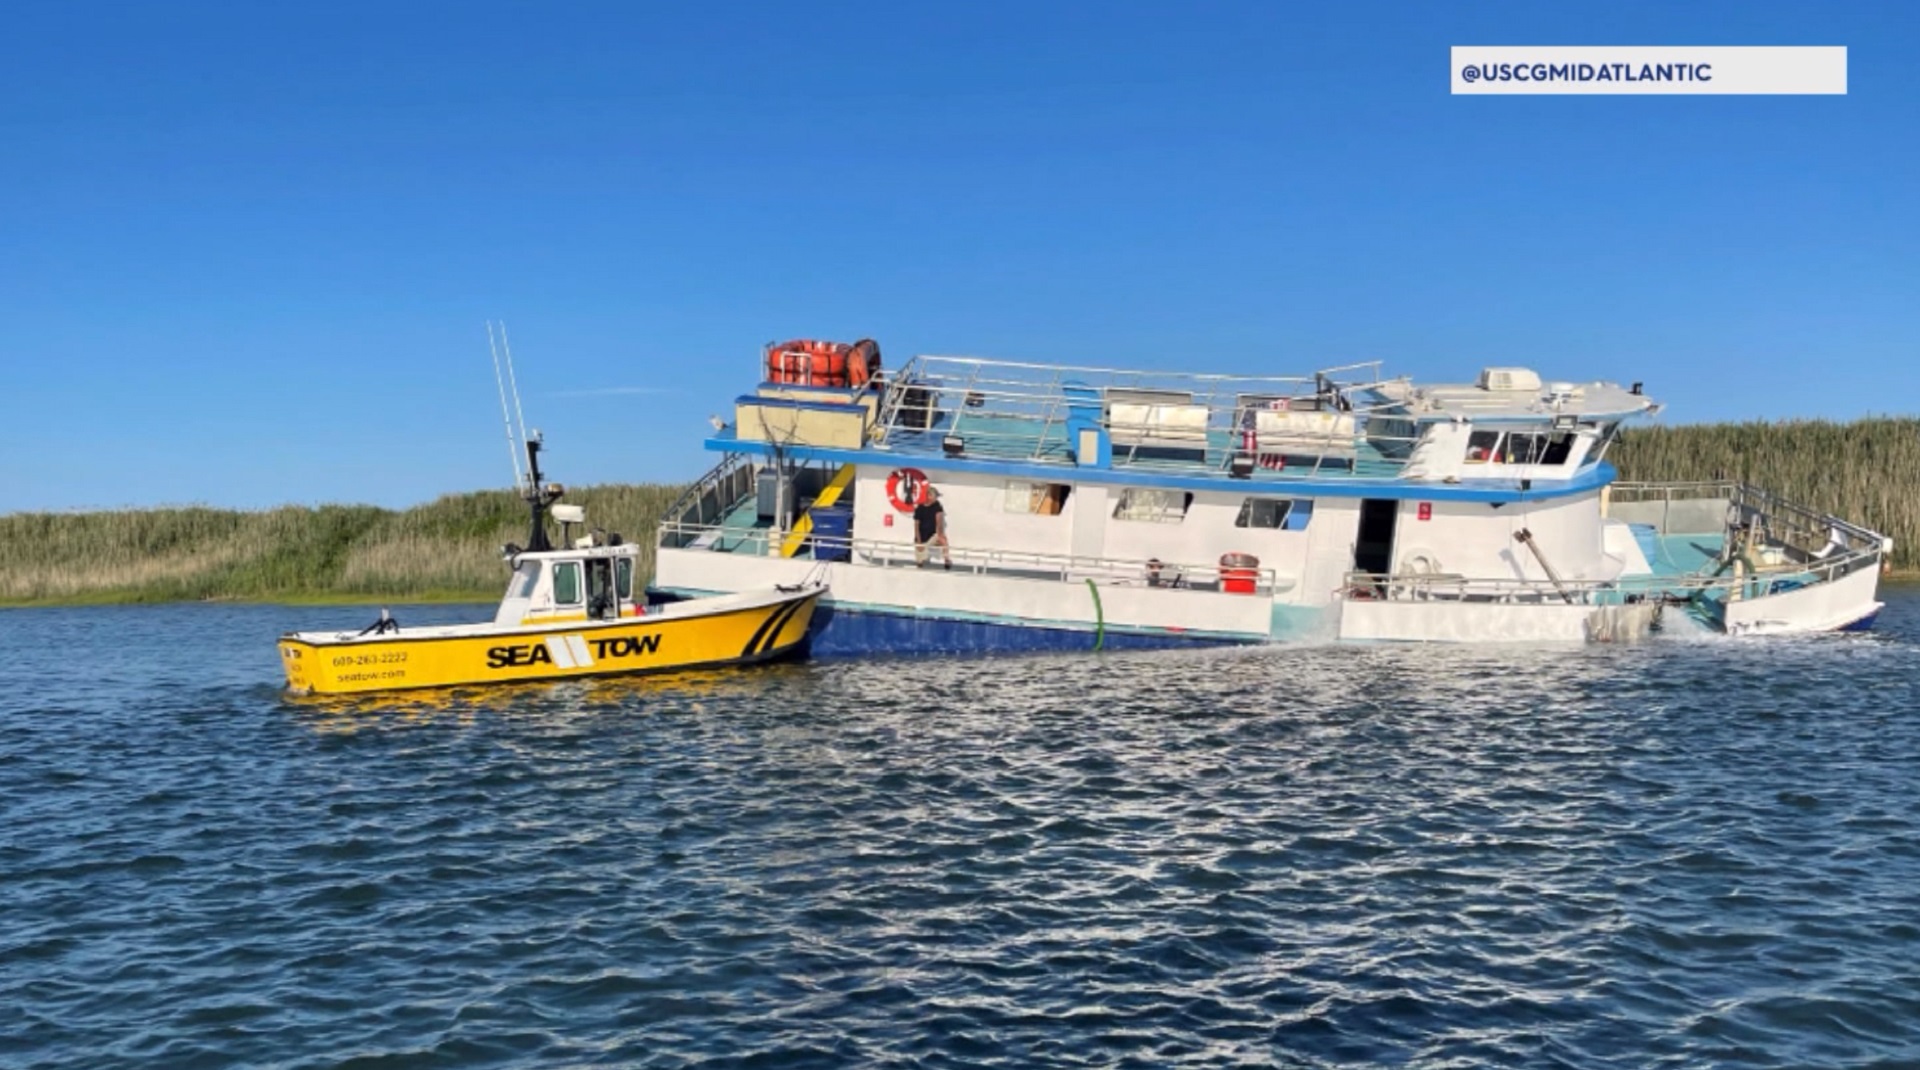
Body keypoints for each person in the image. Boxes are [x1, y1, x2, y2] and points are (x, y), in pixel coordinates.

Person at [913, 486, 951, 569]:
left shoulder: (937, 506)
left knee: (942, 539)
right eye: (935, 496)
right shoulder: (920, 509)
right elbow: (916, 526)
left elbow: (939, 523)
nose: (936, 498)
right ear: (929, 496)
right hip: (922, 537)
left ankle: (947, 560)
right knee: (919, 560)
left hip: (933, 535)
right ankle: (920, 562)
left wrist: (939, 535)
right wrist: (919, 542)